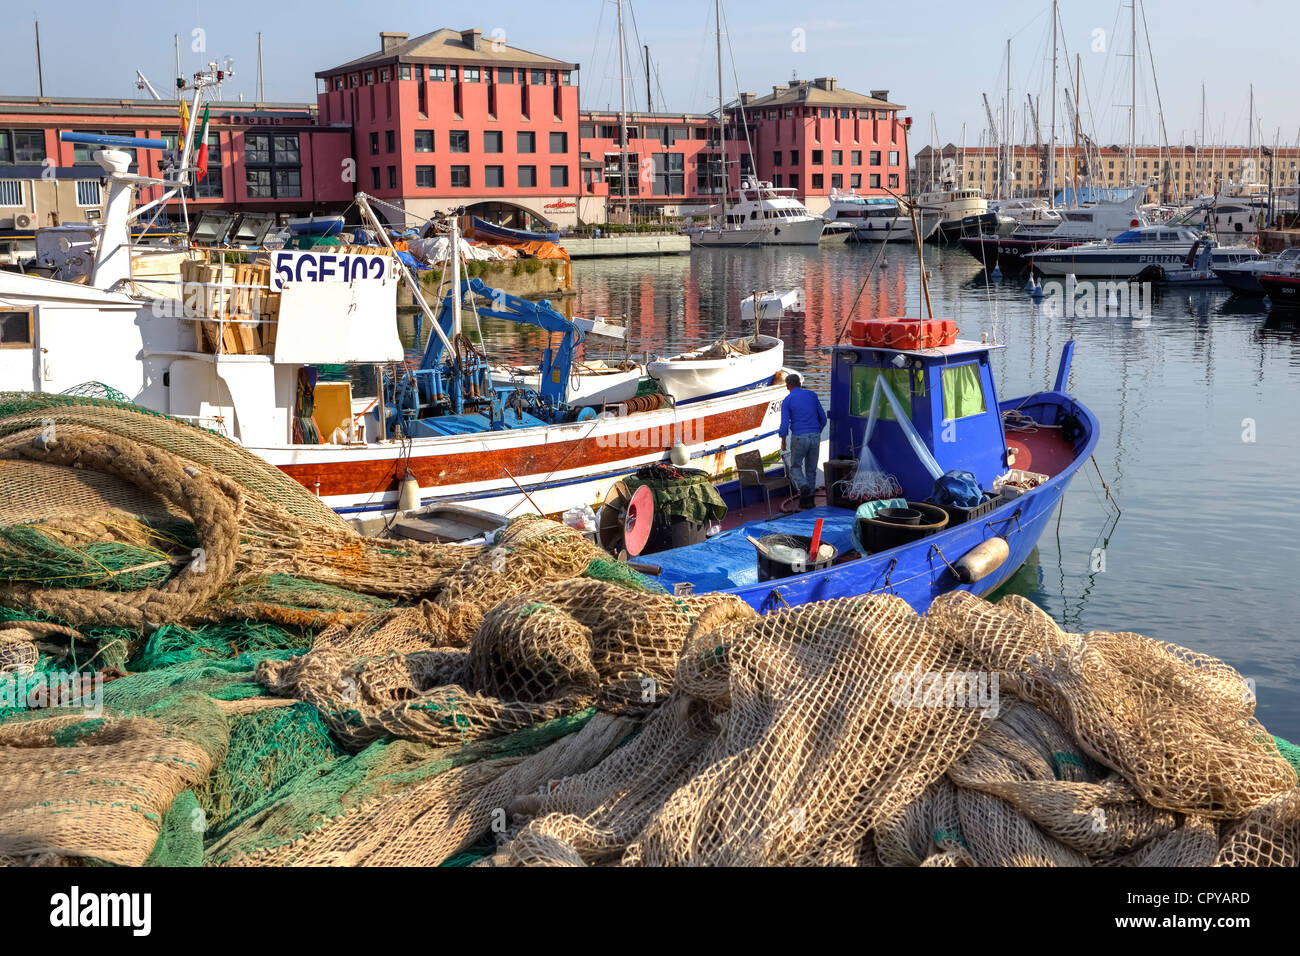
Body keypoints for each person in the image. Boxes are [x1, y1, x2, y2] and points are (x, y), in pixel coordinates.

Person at [779, 373, 826, 509]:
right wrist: (817, 431)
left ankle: (803, 486)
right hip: (815, 435)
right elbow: (822, 418)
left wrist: (783, 441)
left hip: (799, 437)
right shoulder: (812, 395)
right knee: (811, 470)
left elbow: (784, 426)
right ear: (800, 383)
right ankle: (809, 501)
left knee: (795, 467)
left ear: (788, 386)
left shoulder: (788, 400)